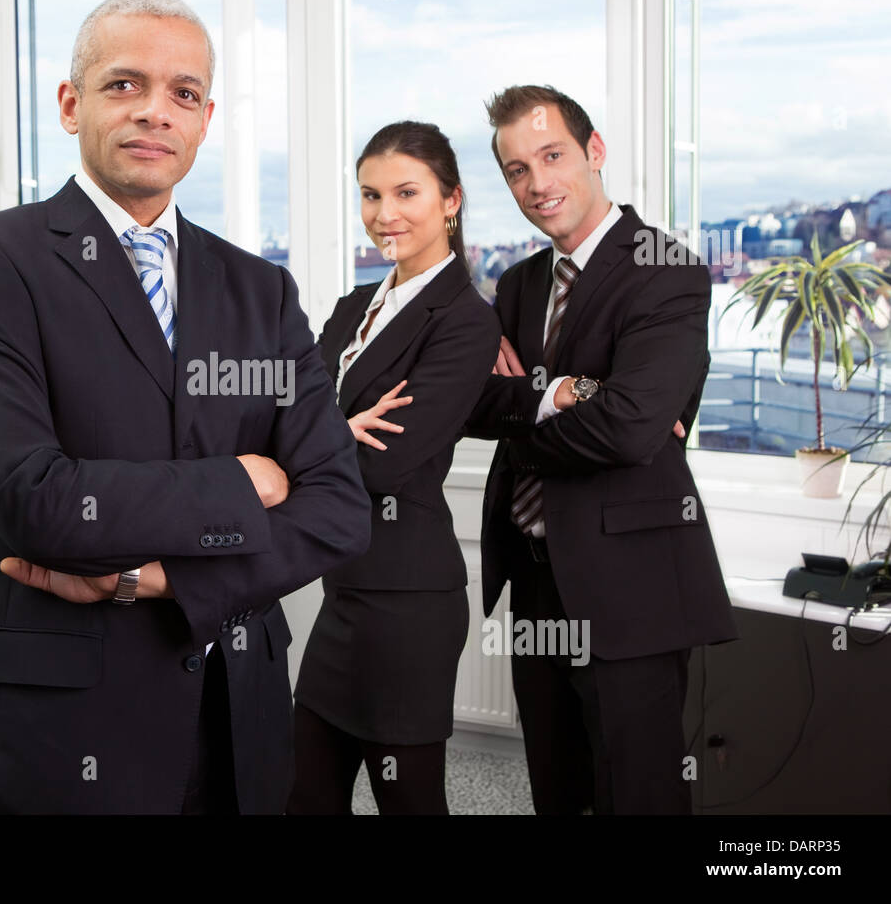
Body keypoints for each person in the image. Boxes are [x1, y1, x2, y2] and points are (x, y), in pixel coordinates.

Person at [0, 0, 371, 815]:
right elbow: (38, 503)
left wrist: (161, 580)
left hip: (239, 715)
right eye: (124, 85)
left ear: (204, 121)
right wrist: (246, 481)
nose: (155, 113)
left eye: (184, 94)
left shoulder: (259, 289)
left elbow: (339, 508)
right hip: (67, 730)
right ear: (70, 104)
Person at [465, 85, 736, 814]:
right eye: (517, 169)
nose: (537, 183)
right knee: (558, 786)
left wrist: (528, 417)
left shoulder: (664, 268)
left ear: (594, 151)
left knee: (635, 792)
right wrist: (564, 395)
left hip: (631, 584)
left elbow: (628, 426)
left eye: (552, 156)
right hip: (536, 576)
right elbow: (472, 402)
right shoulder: (519, 284)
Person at [287, 122, 500, 814]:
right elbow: (287, 411)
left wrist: (317, 437)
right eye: (371, 195)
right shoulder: (357, 307)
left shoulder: (464, 320)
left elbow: (392, 461)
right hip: (348, 591)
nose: (385, 214)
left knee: (407, 800)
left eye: (407, 192)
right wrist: (336, 431)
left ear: (451, 201)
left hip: (408, 603)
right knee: (303, 794)